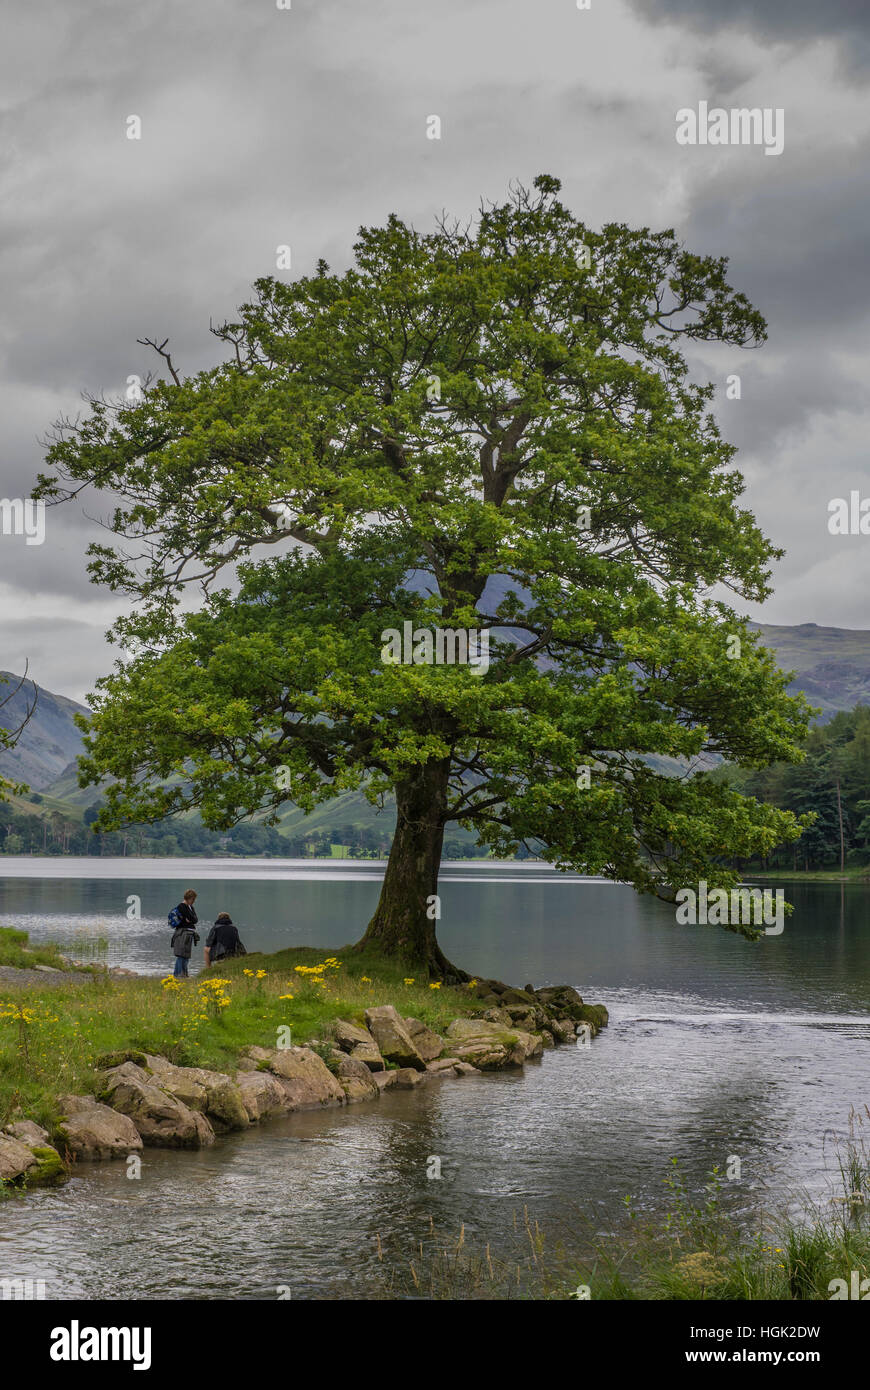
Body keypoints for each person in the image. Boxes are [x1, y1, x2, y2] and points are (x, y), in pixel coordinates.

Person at [171, 889, 200, 979]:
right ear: (188, 898)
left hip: (189, 933)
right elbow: (192, 918)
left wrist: (189, 919)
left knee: (186, 955)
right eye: (193, 899)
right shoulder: (182, 906)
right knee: (181, 954)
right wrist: (189, 919)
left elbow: (195, 920)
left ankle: (184, 974)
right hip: (182, 932)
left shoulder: (190, 907)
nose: (194, 901)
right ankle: (178, 974)